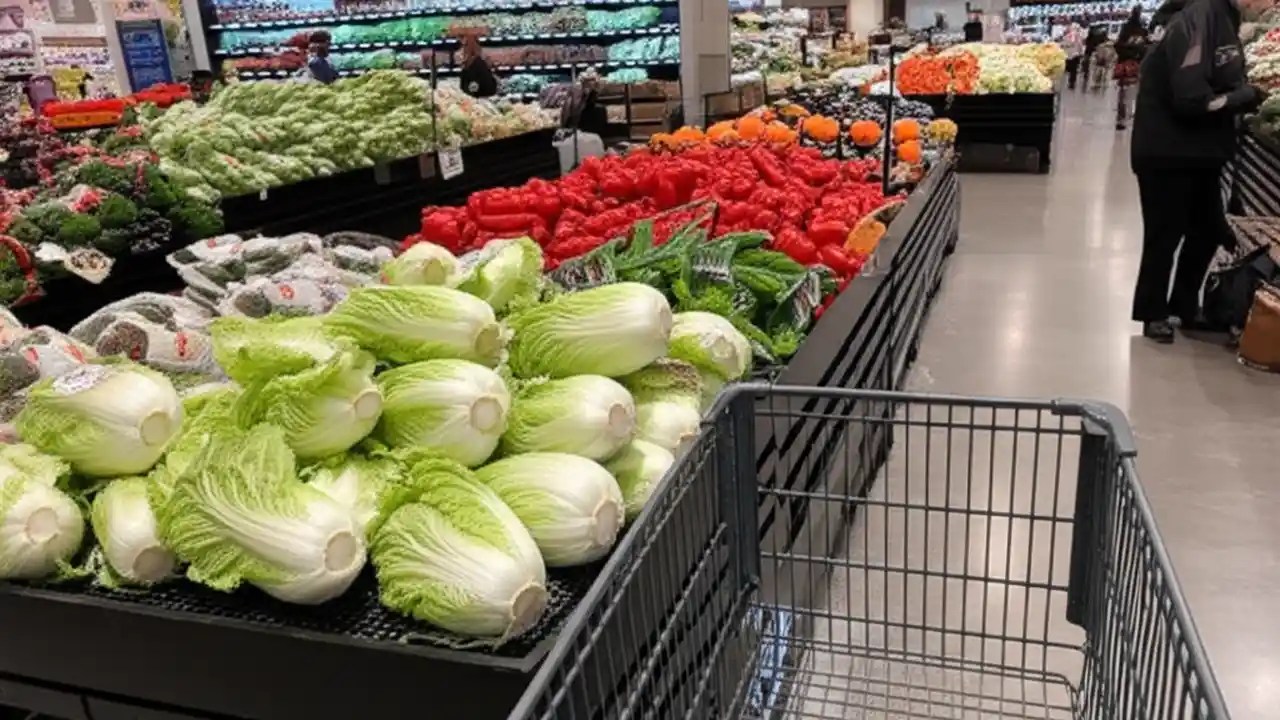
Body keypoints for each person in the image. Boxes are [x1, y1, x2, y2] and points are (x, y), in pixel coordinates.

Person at [1130, 0, 1266, 342]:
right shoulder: (1198, 20)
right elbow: (1191, 98)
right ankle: (1153, 312)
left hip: (1199, 151)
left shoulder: (1222, 19)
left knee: (1207, 229)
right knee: (1165, 232)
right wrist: (1244, 97)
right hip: (1167, 150)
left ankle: (1184, 307)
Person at [1114, 6, 1149, 129]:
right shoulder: (1142, 31)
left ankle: (1121, 118)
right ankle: (1128, 115)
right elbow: (1145, 48)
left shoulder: (1125, 29)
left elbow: (1118, 45)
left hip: (1124, 64)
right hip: (1135, 64)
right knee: (1132, 92)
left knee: (1123, 93)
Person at [1061, 22, 1086, 90]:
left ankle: (1062, 83)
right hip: (1075, 55)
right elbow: (1080, 46)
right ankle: (1071, 83)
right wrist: (1081, 53)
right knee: (1074, 70)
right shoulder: (1079, 37)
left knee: (1065, 69)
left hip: (1067, 55)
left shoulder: (1067, 36)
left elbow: (1063, 45)